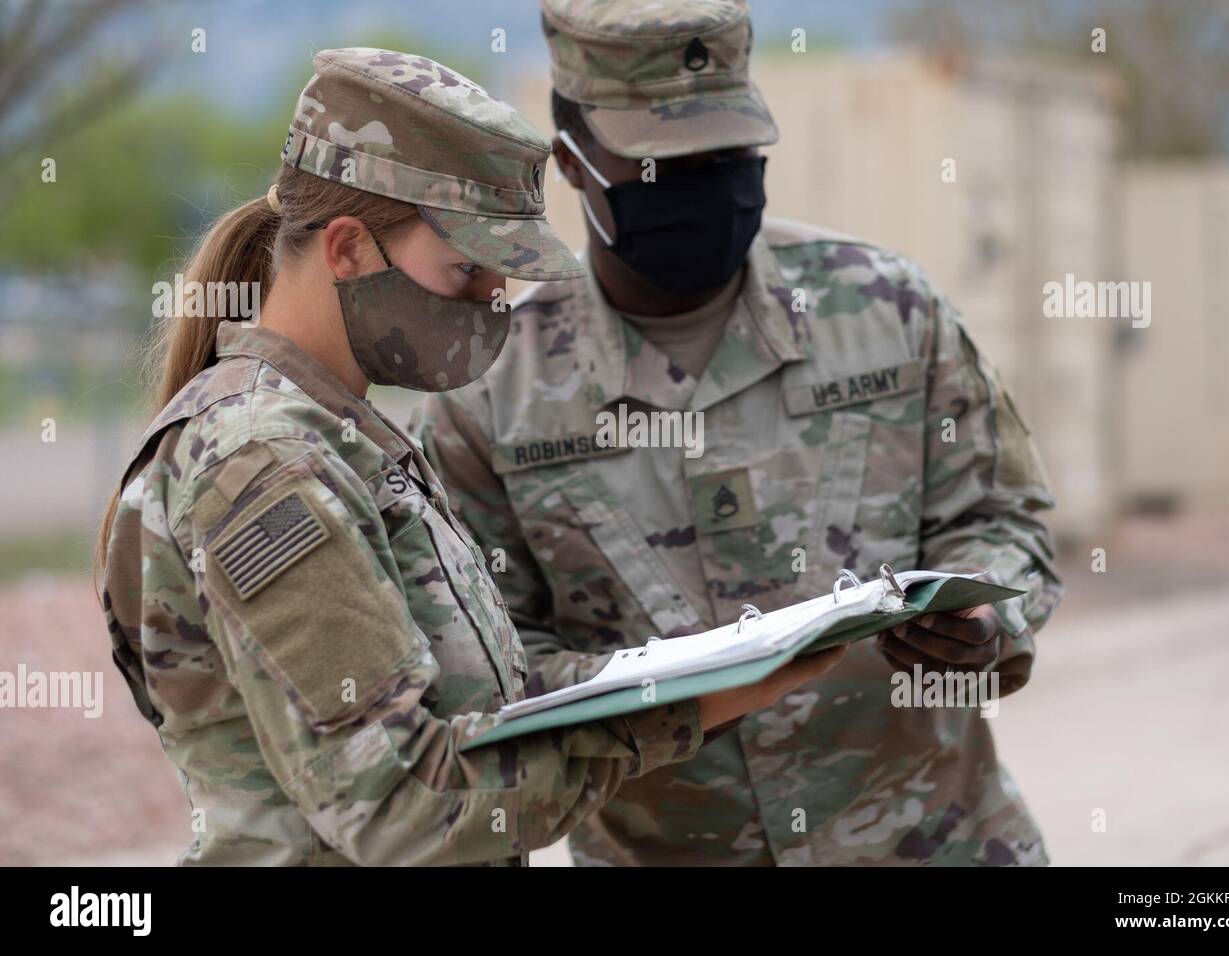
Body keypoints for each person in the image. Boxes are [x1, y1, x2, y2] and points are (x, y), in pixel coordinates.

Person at [94, 46, 843, 867]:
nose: (491, 303)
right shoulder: (265, 461)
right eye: (465, 271)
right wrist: (679, 716)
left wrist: (699, 674)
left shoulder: (340, 435)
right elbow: (399, 804)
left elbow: (478, 707)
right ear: (346, 249)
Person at [416, 1, 1064, 866]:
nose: (705, 187)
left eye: (728, 156)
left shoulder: (884, 308)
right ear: (570, 162)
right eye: (660, 166)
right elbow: (487, 666)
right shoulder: (490, 396)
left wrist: (986, 620)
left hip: (933, 842)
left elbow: (1005, 518)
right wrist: (660, 693)